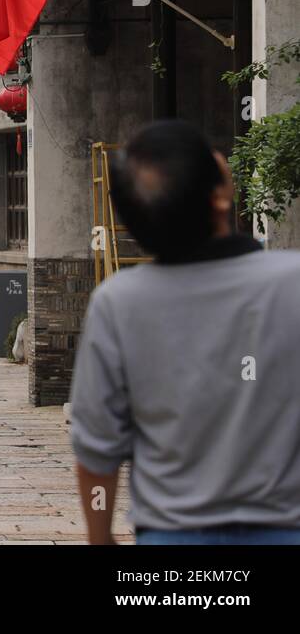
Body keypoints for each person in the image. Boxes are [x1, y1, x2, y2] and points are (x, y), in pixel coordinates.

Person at [69, 120, 300, 545]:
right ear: (220, 194)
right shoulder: (291, 283)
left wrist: (100, 538)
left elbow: (97, 451)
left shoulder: (119, 302)